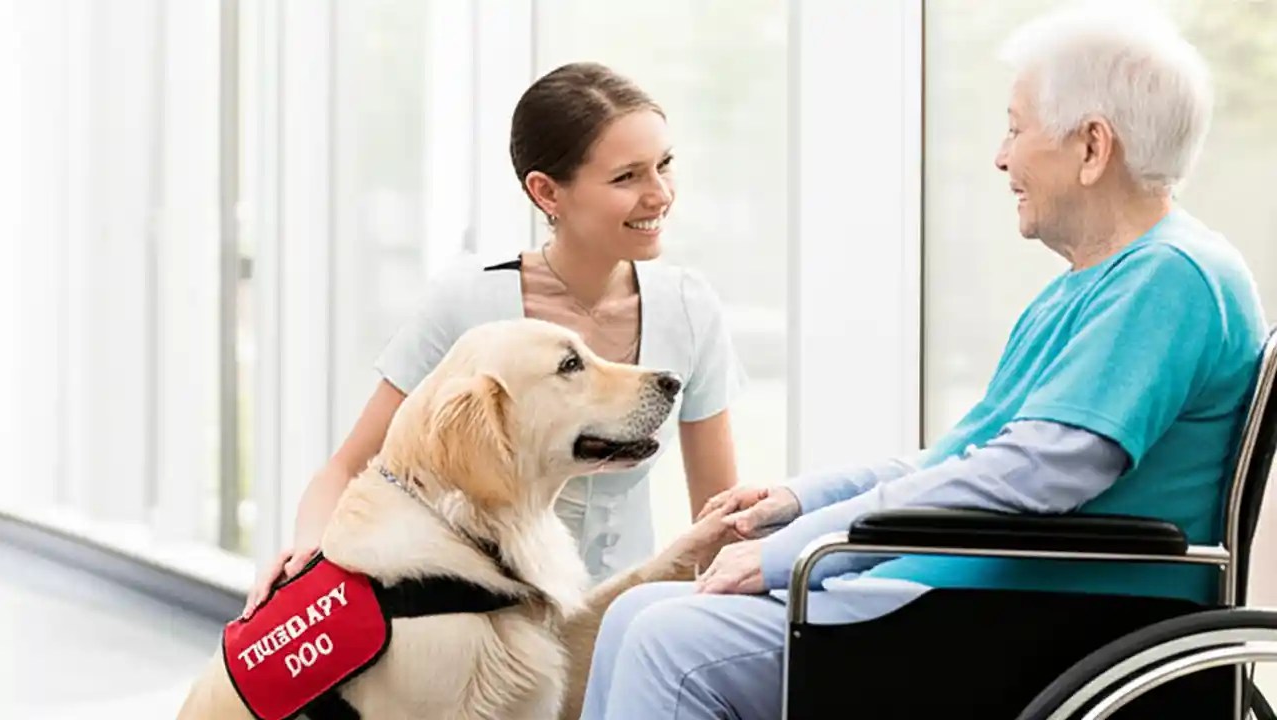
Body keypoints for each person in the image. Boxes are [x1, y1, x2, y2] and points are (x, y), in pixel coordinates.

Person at [578, 5, 1270, 719]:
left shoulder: (1170, 279)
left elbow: (1031, 476)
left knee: (668, 638)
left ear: (1093, 147)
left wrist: (797, 552)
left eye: (1015, 127)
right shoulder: (1099, 282)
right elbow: (959, 460)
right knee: (636, 616)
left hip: (1044, 619)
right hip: (984, 595)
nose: (1002, 157)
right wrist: (800, 502)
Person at [242, 62, 745, 618]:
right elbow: (347, 468)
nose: (660, 195)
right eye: (627, 177)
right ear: (547, 191)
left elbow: (720, 522)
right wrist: (308, 560)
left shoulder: (690, 309)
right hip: (471, 624)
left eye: (664, 165)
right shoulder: (469, 303)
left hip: (620, 623)